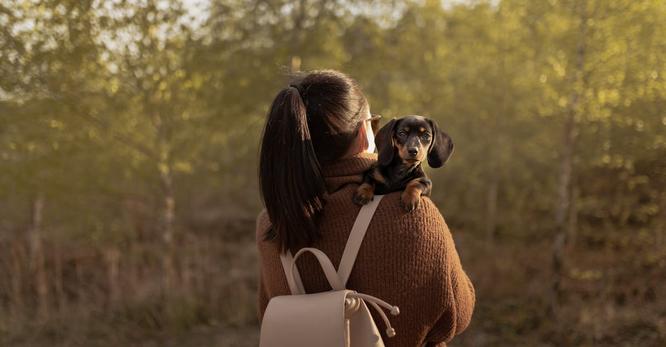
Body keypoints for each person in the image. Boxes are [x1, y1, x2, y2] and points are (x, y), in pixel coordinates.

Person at [255, 69, 475, 347]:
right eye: (374, 125)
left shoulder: (273, 222)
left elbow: (269, 314)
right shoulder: (414, 213)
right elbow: (458, 314)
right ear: (363, 133)